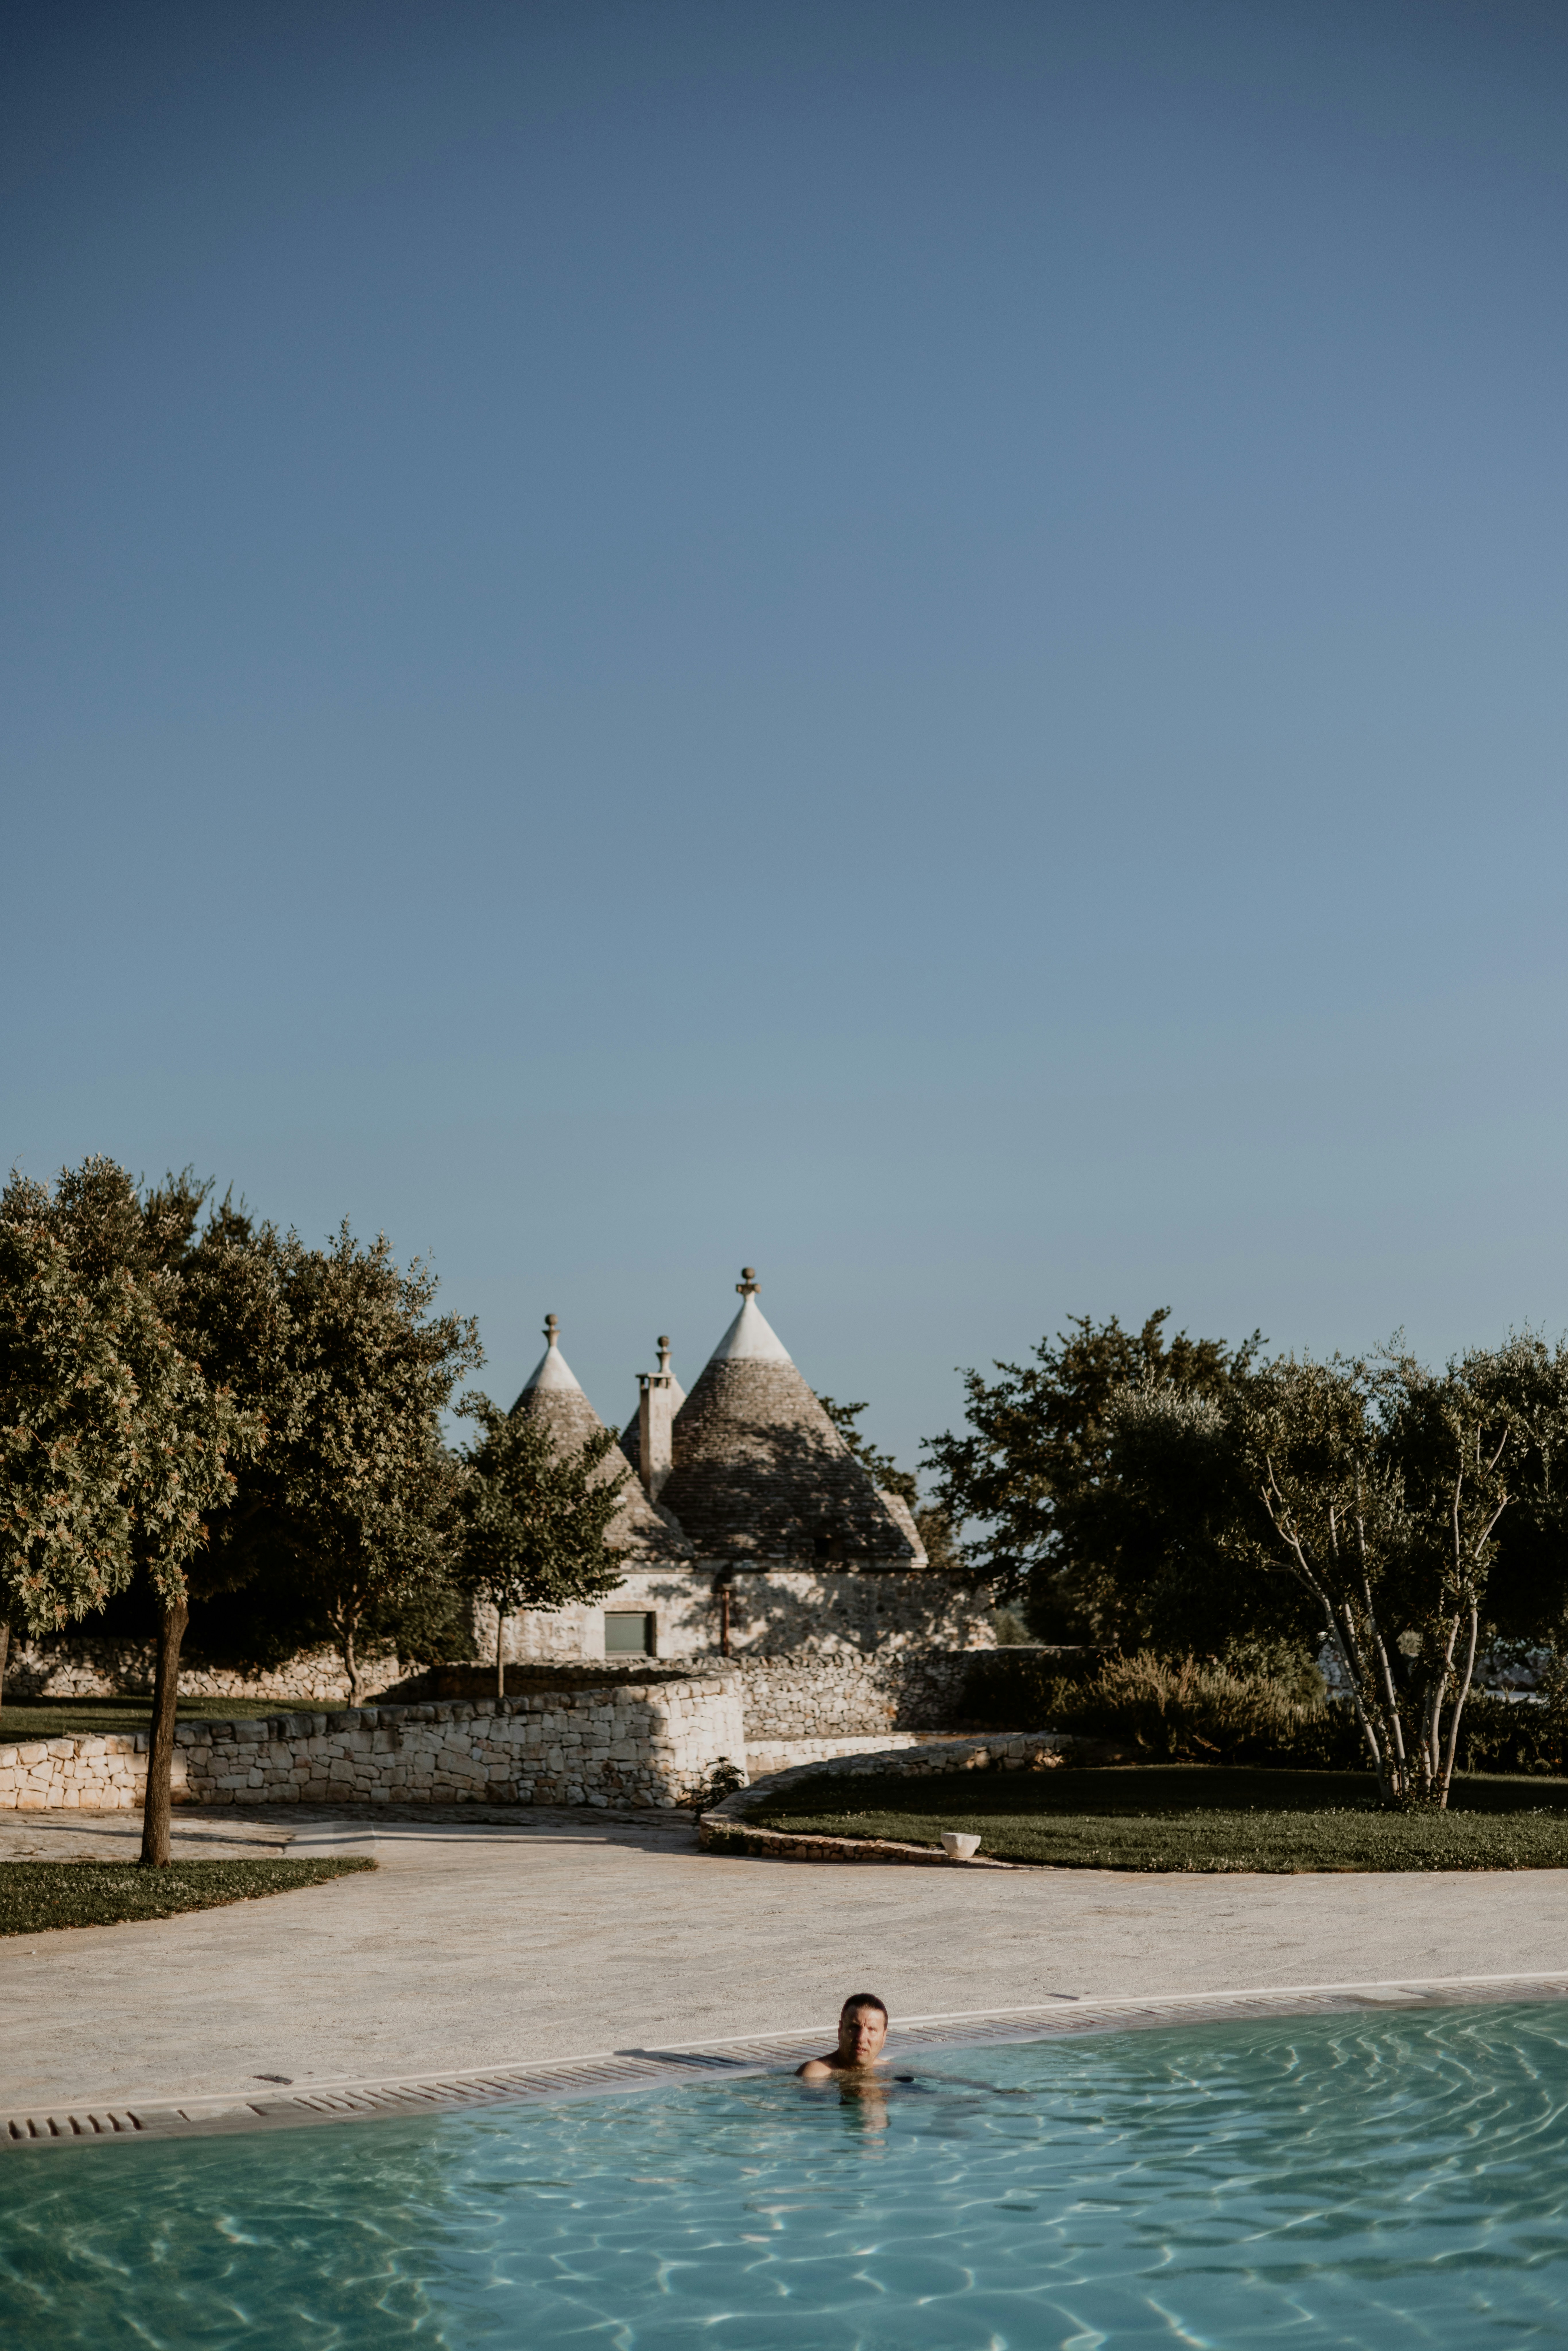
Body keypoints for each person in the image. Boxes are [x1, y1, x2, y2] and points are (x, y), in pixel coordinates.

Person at [797, 1992, 890, 2080]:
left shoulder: (891, 2071)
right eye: (854, 2027)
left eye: (872, 2029)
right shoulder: (815, 2074)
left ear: (884, 2037)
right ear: (840, 2030)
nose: (861, 2038)